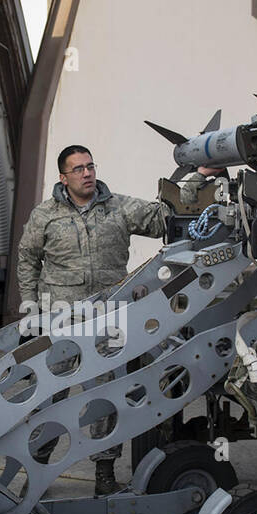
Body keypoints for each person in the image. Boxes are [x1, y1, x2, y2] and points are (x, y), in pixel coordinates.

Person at [15, 145, 176, 495]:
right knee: (48, 398)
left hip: (106, 324)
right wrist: (29, 309)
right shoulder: (45, 215)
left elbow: (165, 216)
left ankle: (104, 473)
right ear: (63, 177)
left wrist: (196, 176)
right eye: (78, 169)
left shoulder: (119, 207)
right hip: (60, 325)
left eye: (90, 166)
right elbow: (27, 259)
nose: (87, 173)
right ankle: (38, 471)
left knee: (105, 398)